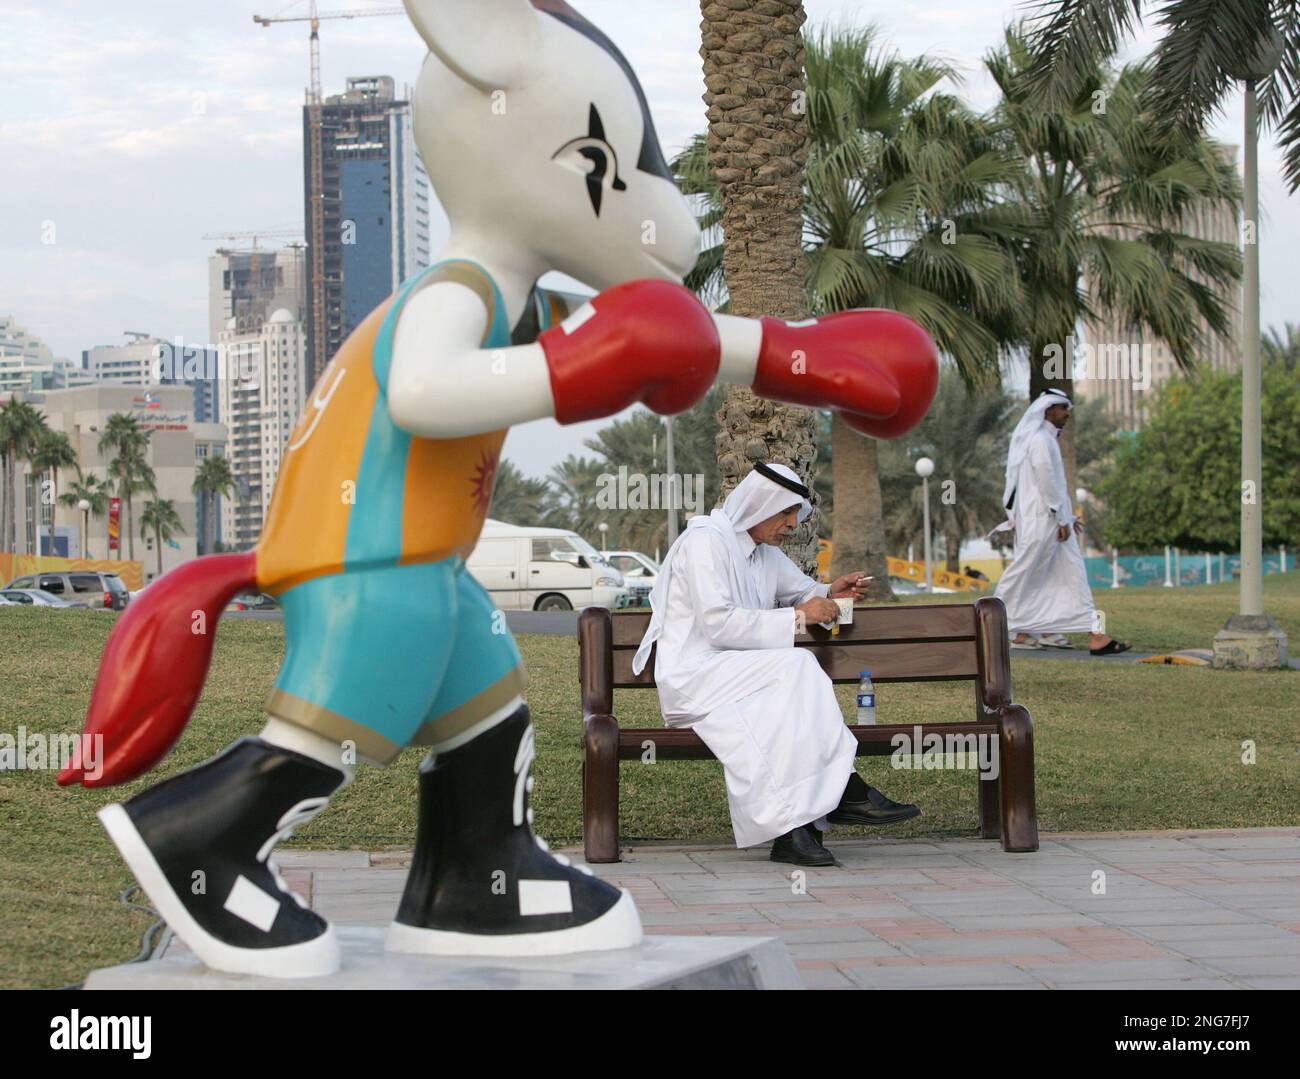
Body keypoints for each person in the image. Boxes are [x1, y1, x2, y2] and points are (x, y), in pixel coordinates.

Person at [633, 462, 920, 868]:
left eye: (795, 514)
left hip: (741, 680)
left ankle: (793, 835)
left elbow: (804, 591)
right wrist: (801, 617)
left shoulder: (764, 554)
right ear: (758, 505)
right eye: (785, 512)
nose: (792, 524)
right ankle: (847, 790)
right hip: (694, 675)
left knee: (776, 715)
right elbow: (718, 624)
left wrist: (829, 591)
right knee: (798, 666)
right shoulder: (705, 544)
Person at [991, 390, 1130, 656]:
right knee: (1025, 573)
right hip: (1045, 523)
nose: (1067, 413)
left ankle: (1091, 634)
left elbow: (1051, 485)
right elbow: (1047, 481)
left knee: (1069, 577)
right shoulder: (1041, 439)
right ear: (1048, 410)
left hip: (1052, 522)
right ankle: (993, 623)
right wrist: (1060, 517)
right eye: (1063, 408)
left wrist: (1067, 517)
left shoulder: (1043, 438)